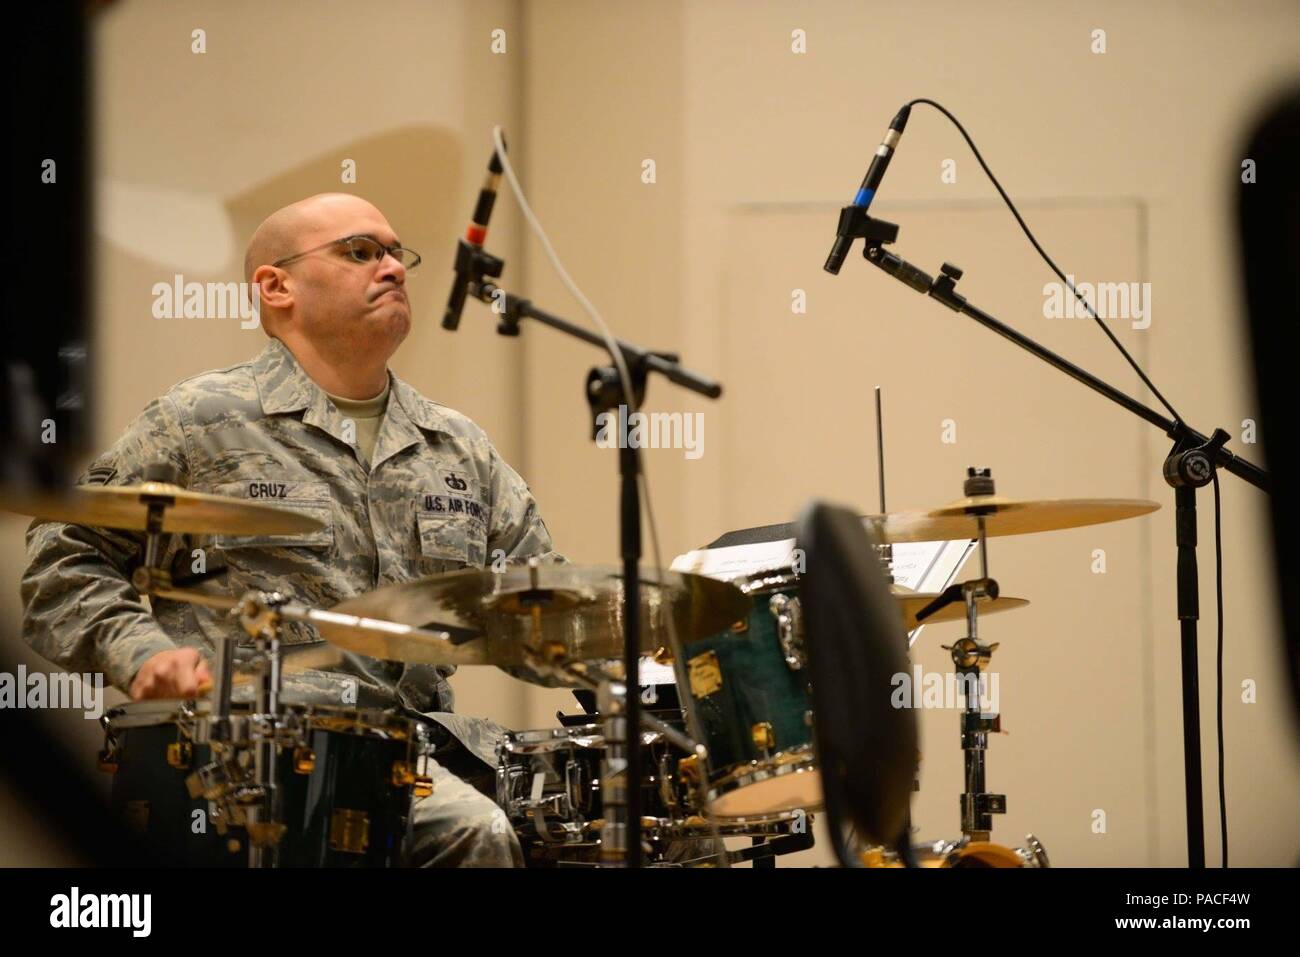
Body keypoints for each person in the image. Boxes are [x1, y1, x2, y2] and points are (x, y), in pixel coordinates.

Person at [21, 193, 561, 867]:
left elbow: (545, 613)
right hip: (248, 758)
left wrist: (653, 633)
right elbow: (62, 560)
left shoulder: (458, 447)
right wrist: (142, 653)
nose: (392, 268)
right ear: (276, 287)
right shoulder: (201, 419)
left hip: (419, 754)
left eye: (398, 253)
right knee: (473, 833)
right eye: (360, 252)